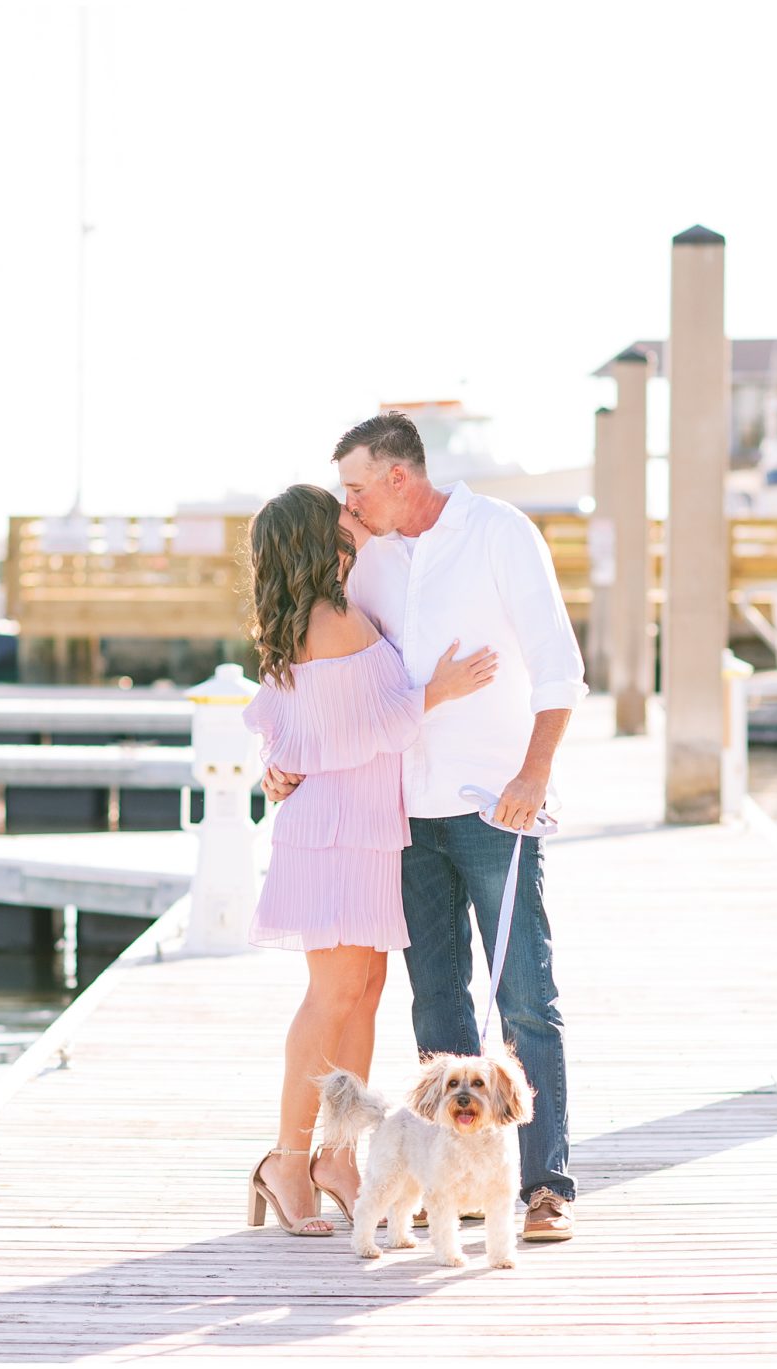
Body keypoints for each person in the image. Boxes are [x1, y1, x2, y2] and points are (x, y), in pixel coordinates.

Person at [264, 411, 588, 1242]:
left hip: (493, 804)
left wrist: (534, 773)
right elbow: (315, 666)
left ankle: (545, 1185)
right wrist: (283, 755)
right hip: (397, 814)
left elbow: (559, 667)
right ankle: (459, 1187)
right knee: (435, 1000)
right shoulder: (368, 559)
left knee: (526, 996)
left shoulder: (499, 533)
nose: (347, 504)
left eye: (355, 488)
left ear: (397, 478)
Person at [240, 483, 500, 1237]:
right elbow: (367, 728)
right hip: (336, 831)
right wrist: (437, 692)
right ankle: (289, 1160)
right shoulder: (331, 619)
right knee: (333, 995)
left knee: (364, 991)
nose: (354, 519)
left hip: (358, 825)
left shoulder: (324, 613)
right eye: (342, 514)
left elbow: (294, 721)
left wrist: (280, 764)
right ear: (317, 539)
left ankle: (337, 1157)